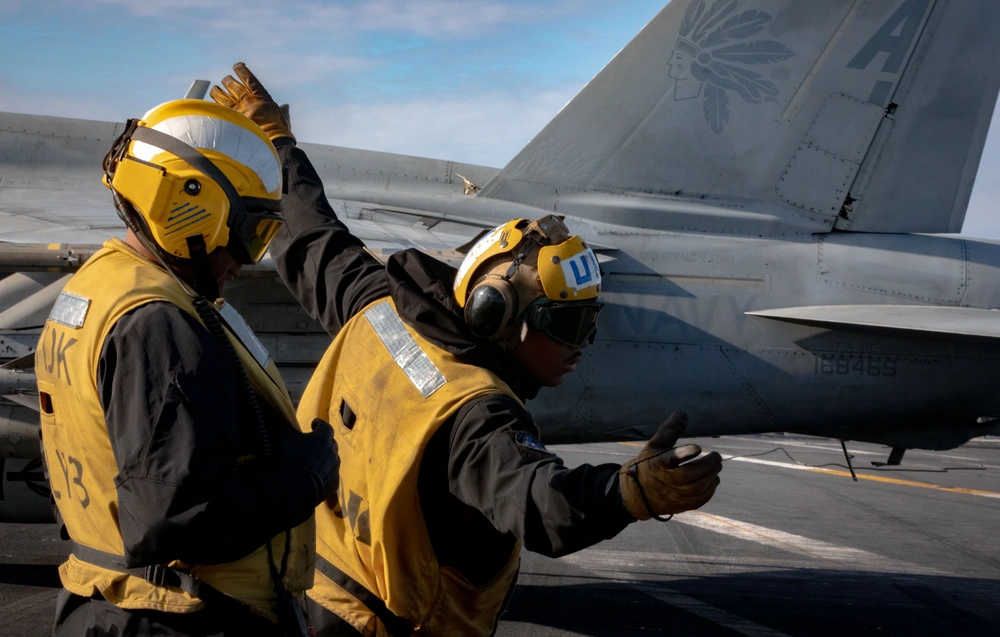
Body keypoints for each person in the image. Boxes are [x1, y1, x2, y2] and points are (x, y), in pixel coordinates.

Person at [213, 63, 723, 637]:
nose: (583, 345)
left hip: (309, 592)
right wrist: (627, 492)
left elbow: (308, 234)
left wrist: (279, 147)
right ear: (497, 314)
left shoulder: (380, 306)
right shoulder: (475, 413)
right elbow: (540, 503)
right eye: (569, 325)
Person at [36, 99, 340, 636]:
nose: (245, 260)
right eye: (248, 232)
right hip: (179, 617)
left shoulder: (100, 284)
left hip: (112, 603)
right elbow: (179, 515)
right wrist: (305, 475)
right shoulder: (155, 324)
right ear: (189, 208)